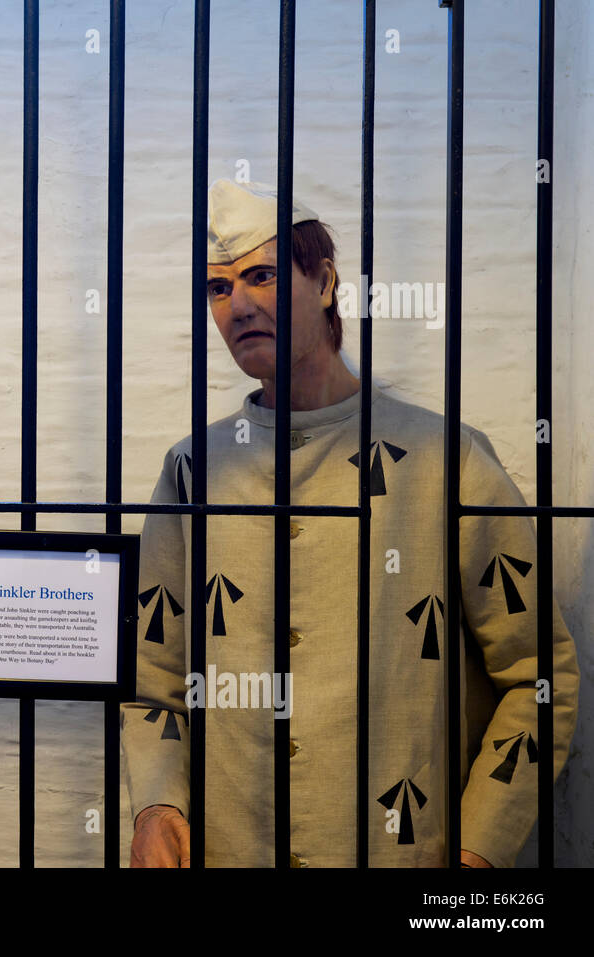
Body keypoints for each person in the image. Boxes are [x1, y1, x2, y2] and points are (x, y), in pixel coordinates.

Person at [121, 179, 580, 868]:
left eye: (262, 275)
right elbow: (151, 675)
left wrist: (477, 849)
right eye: (217, 288)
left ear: (325, 281)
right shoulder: (191, 470)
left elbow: (539, 676)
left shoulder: (444, 459)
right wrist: (157, 805)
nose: (239, 305)